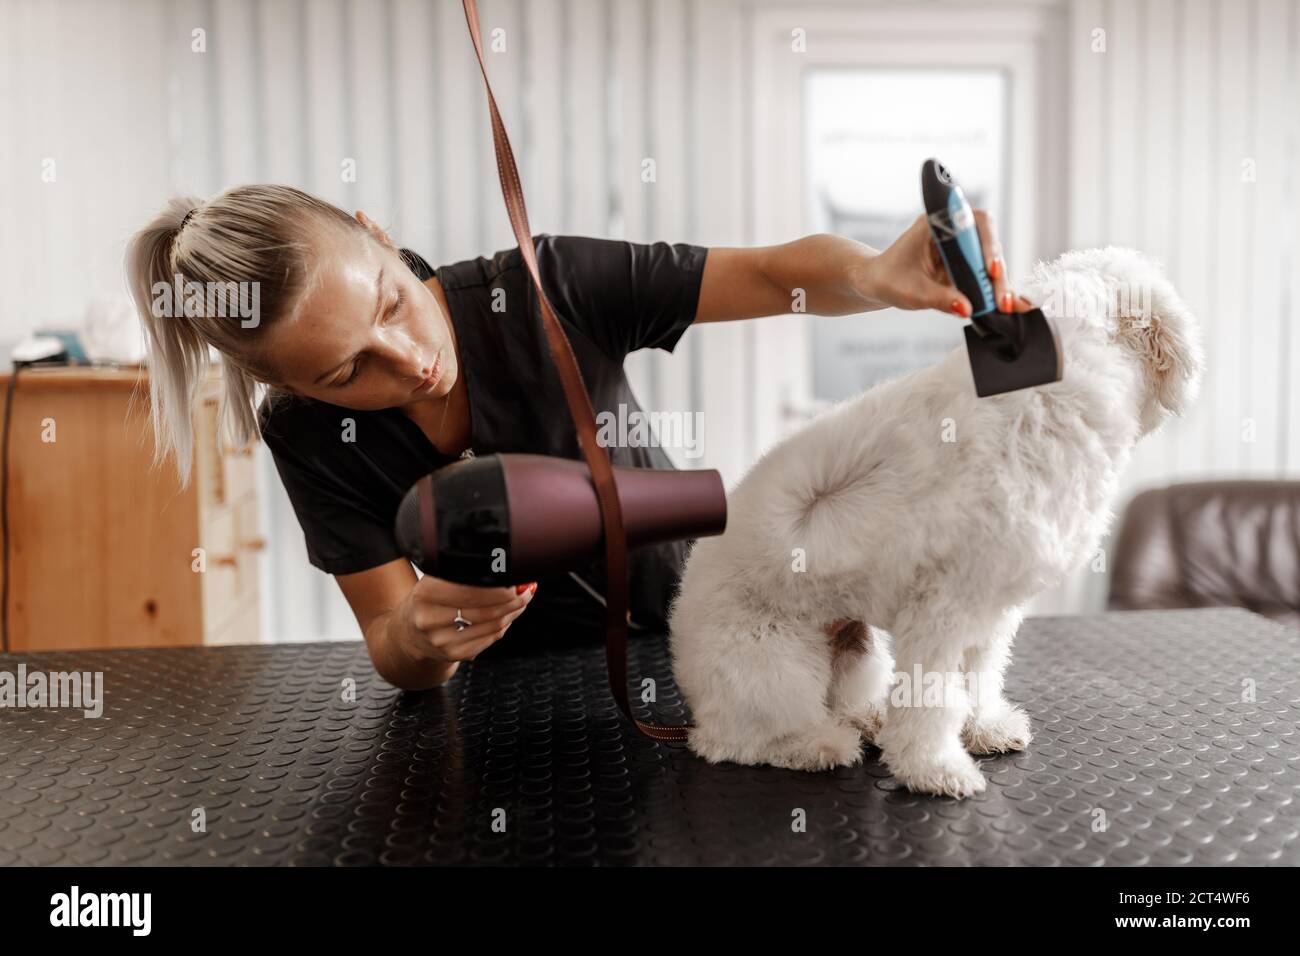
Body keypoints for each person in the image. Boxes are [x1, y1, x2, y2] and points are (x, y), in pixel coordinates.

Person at [126, 184, 1031, 691]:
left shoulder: (541, 287)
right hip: (526, 705)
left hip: (709, 629)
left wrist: (873, 275)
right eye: (342, 373)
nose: (407, 362)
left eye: (391, 303)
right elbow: (391, 649)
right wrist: (426, 635)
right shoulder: (307, 436)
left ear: (377, 234)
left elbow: (770, 274)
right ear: (281, 386)